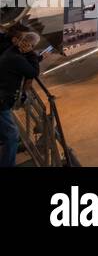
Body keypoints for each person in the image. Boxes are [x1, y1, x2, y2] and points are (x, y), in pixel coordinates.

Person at [0, 31, 43, 167]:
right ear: (29, 45)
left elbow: (24, 64)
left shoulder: (11, 51)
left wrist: (32, 55)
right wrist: (32, 54)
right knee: (13, 135)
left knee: (9, 132)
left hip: (3, 98)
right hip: (1, 102)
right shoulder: (15, 58)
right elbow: (33, 72)